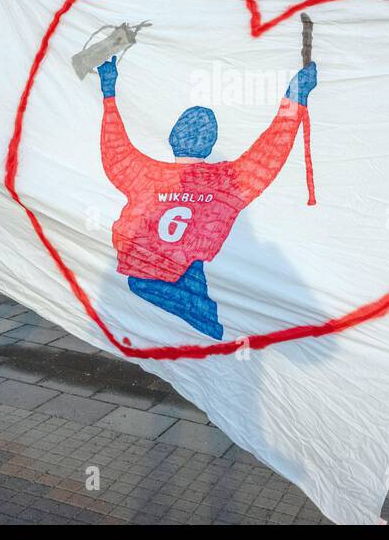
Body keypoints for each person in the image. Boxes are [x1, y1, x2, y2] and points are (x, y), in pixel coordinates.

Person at [96, 55, 317, 339]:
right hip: (188, 287)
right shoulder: (226, 183)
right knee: (206, 345)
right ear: (211, 144)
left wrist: (108, 93)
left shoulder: (144, 175)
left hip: (138, 284)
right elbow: (270, 150)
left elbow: (115, 147)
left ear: (173, 137)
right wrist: (295, 97)